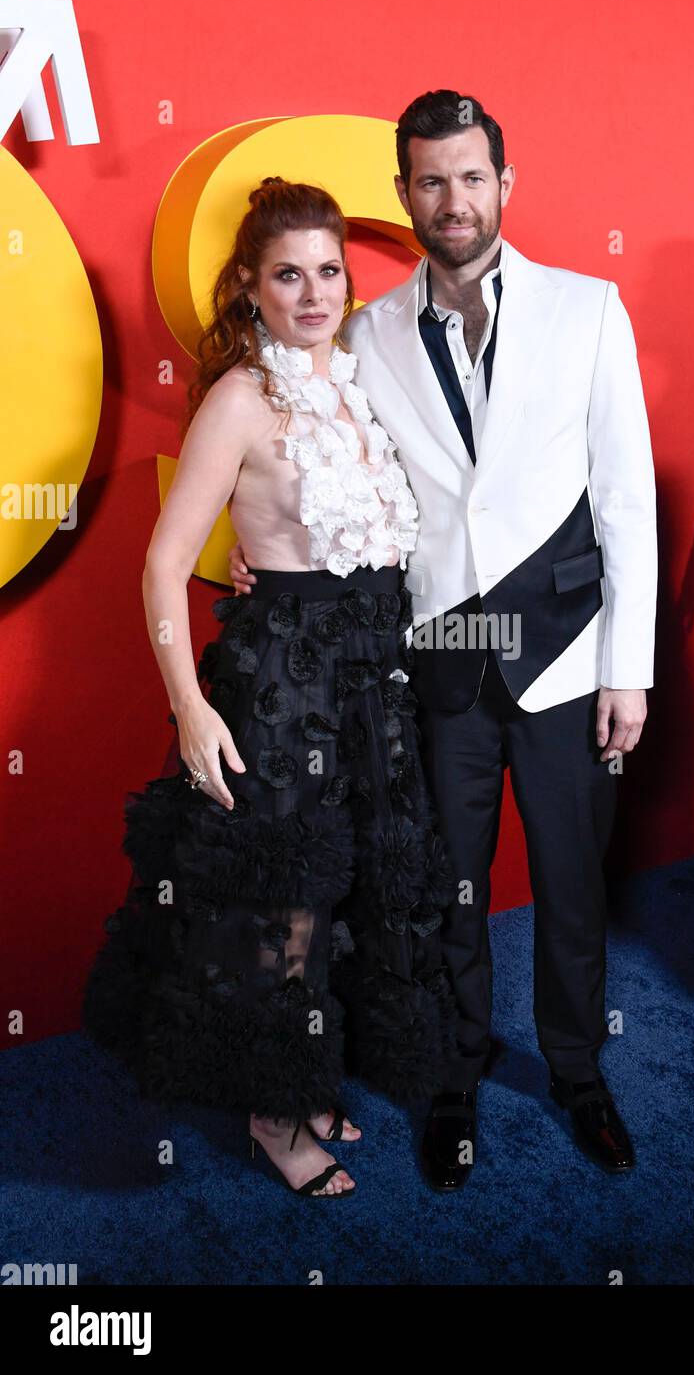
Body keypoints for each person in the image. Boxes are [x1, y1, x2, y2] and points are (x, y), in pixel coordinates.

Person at [229, 90, 658, 1188]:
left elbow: (626, 502)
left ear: (504, 186)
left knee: (571, 885)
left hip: (566, 654)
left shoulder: (589, 309)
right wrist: (249, 547)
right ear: (403, 194)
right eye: (430, 180)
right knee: (445, 891)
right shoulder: (365, 333)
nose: (452, 199)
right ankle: (453, 1078)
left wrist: (630, 671)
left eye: (472, 177)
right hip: (440, 661)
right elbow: (329, 465)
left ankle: (577, 1074)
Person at [82, 178, 458, 1197]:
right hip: (280, 682)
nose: (313, 292)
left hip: (374, 679)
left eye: (328, 270)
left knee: (354, 893)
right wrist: (189, 706)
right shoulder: (241, 397)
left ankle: (314, 1072)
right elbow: (162, 564)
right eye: (287, 274)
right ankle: (272, 1108)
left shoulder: (367, 378)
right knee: (280, 901)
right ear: (250, 288)